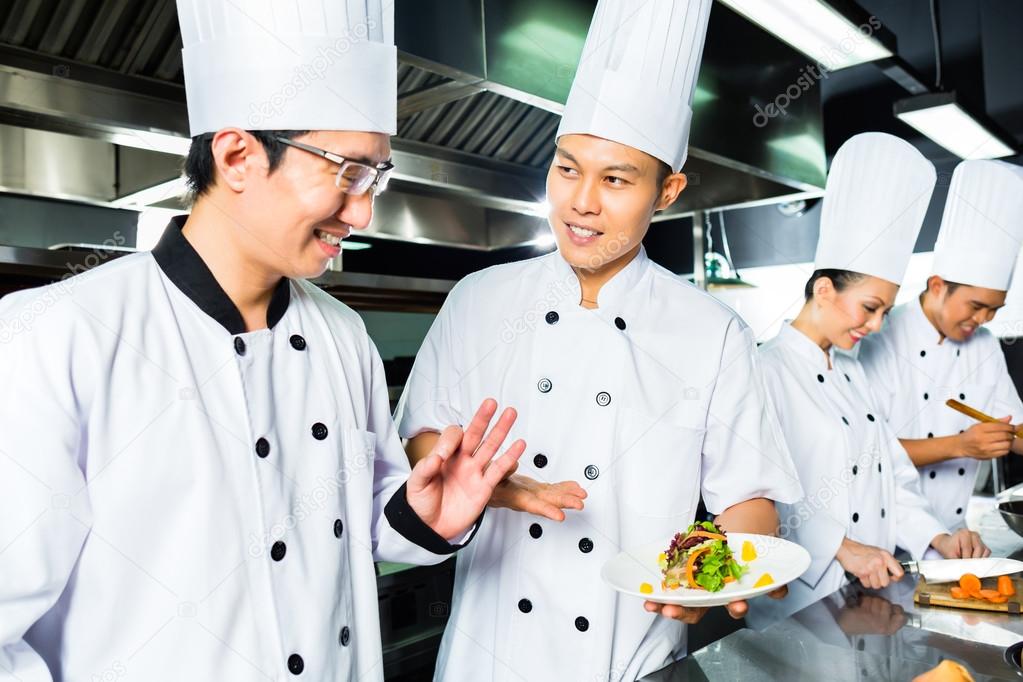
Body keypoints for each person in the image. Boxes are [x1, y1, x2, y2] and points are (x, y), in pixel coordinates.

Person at [0, 2, 522, 679]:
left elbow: (354, 530)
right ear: (238, 155)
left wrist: (428, 516)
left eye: (375, 178)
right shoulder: (54, 335)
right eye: (347, 171)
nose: (362, 211)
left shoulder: (342, 336)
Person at [394, 1, 802, 679]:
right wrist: (494, 484)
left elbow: (747, 495)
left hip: (628, 657)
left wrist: (732, 572)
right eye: (565, 169)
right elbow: (421, 440)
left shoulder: (711, 332)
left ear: (666, 192)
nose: (581, 201)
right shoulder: (479, 299)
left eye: (615, 180)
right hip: (484, 656)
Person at [751, 133, 988, 625]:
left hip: (872, 592)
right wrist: (840, 546)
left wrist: (937, 537)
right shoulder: (765, 370)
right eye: (870, 307)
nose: (877, 325)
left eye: (884, 310)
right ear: (824, 290)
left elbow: (894, 476)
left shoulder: (854, 373)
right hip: (804, 607)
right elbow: (754, 498)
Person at [859, 160, 1023, 531]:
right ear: (937, 286)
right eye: (976, 306)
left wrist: (1009, 437)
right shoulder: (878, 336)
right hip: (885, 535)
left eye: (994, 310)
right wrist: (961, 445)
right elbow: (867, 454)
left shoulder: (984, 345)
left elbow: (1015, 431)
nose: (984, 320)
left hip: (954, 530)